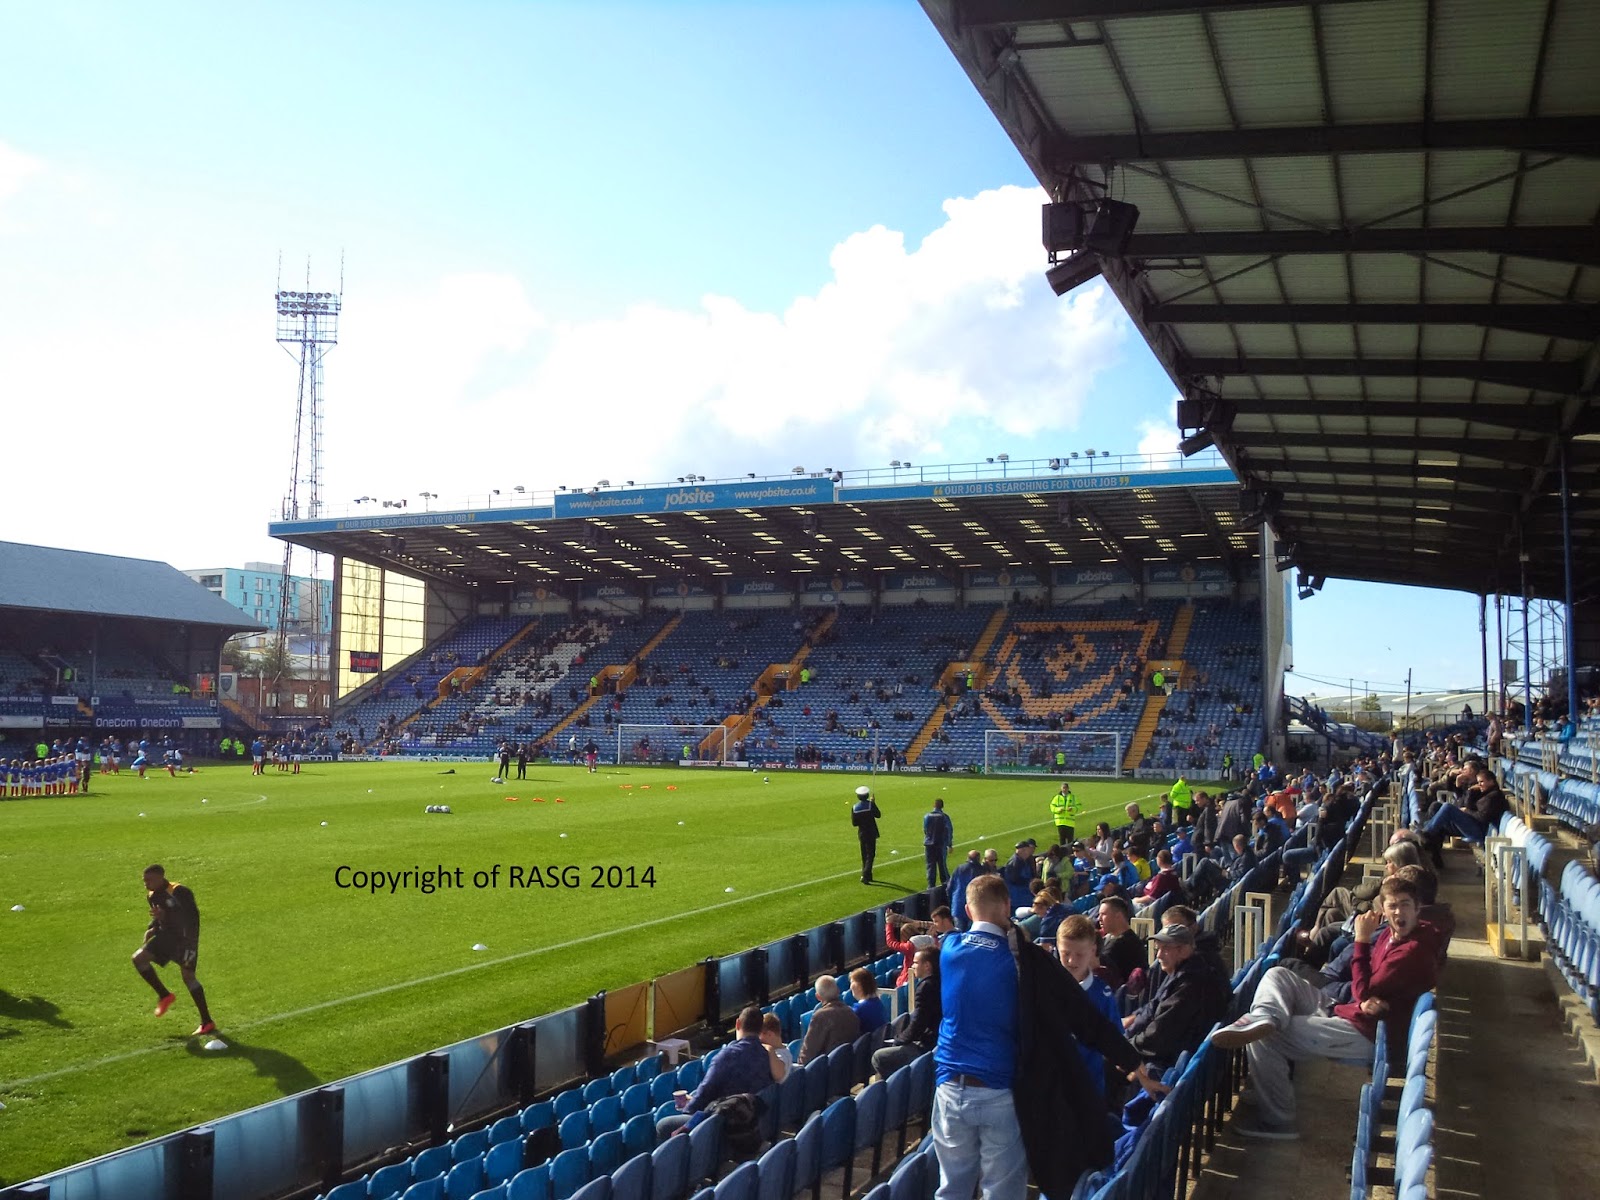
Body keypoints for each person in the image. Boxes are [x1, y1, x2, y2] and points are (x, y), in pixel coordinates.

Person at [932, 874, 1159, 1200]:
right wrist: (1134, 1063)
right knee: (1002, 1191)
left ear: (968, 911)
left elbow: (961, 938)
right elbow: (1083, 1017)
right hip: (998, 1092)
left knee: (951, 1190)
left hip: (949, 1087)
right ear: (1008, 905)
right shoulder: (1026, 961)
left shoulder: (950, 949)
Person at [1210, 875, 1443, 1139]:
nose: (1398, 912)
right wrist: (1364, 993)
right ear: (1384, 909)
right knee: (1278, 975)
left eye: (1405, 905)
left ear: (1417, 907)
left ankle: (1278, 1120)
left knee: (1267, 1037)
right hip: (1352, 1011)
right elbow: (1363, 992)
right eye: (1392, 906)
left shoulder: (1413, 950)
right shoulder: (1392, 934)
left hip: (1367, 1032)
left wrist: (1362, 940)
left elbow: (1363, 989)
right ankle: (1265, 1017)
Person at [1120, 924, 1230, 1069]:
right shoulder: (1181, 972)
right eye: (1158, 949)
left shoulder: (1191, 983)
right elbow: (1152, 1007)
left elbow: (1159, 1035)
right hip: (1164, 1050)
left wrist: (1124, 1048)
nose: (1158, 955)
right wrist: (1127, 1033)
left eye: (1165, 949)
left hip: (1169, 1061)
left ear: (1184, 950)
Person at [656, 1005, 773, 1139]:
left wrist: (688, 1111)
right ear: (760, 1029)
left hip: (723, 1122)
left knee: (662, 1125)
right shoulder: (765, 1054)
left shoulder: (727, 1056)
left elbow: (706, 1090)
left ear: (738, 1024)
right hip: (747, 1117)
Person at [131, 864, 216, 1036]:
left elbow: (190, 917)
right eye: (144, 881)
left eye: (149, 880)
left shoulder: (179, 891)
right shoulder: (152, 895)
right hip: (168, 936)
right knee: (139, 959)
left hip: (185, 939)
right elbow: (159, 915)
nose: (146, 884)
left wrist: (189, 941)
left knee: (188, 977)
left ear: (161, 877)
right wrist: (153, 927)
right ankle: (164, 995)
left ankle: (207, 1022)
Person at [1055, 915, 1122, 1099]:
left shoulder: (1102, 995)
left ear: (1093, 950)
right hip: (1052, 1091)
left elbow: (1116, 1042)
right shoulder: (1044, 989)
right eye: (1065, 953)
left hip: (1088, 1090)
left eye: (1079, 954)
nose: (1071, 961)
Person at [872, 944, 940, 1079]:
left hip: (927, 1046)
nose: (913, 966)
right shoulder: (940, 981)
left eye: (915, 963)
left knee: (878, 1057)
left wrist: (900, 1040)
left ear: (927, 966)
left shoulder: (926, 987)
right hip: (937, 1041)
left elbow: (919, 1023)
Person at [797, 974, 858, 1064]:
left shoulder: (820, 1016)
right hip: (849, 1066)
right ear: (838, 991)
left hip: (829, 1070)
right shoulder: (850, 1012)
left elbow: (808, 1053)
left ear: (818, 997)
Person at [852, 785, 882, 883]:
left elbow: (854, 823)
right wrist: (873, 803)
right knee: (870, 854)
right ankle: (865, 875)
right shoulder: (870, 805)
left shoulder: (855, 808)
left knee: (864, 855)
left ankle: (868, 875)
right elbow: (878, 815)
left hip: (862, 833)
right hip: (871, 832)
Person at [923, 797, 953, 887]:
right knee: (942, 865)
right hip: (940, 844)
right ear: (942, 806)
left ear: (933, 805)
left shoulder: (927, 816)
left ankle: (930, 886)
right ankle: (945, 885)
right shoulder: (944, 817)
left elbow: (925, 829)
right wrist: (949, 844)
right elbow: (949, 831)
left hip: (929, 844)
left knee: (930, 866)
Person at [849, 967, 888, 1036]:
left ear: (859, 986)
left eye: (852, 982)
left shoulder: (859, 1009)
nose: (850, 987)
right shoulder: (878, 1003)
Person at [1050, 781, 1083, 846]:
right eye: (1063, 788)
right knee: (1062, 840)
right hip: (1060, 822)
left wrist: (1072, 809)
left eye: (1065, 788)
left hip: (1070, 822)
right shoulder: (1057, 798)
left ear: (1068, 788)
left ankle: (1070, 853)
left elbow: (1079, 806)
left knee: (1070, 841)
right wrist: (1058, 810)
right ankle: (1063, 853)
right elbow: (1052, 806)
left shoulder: (1073, 797)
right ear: (1061, 788)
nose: (1064, 789)